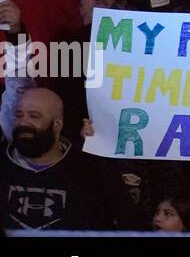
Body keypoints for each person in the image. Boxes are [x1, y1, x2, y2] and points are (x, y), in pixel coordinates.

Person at [1, 86, 110, 230]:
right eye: (19, 115)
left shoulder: (86, 172)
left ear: (57, 125)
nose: (23, 123)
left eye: (34, 116)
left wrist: (100, 149)